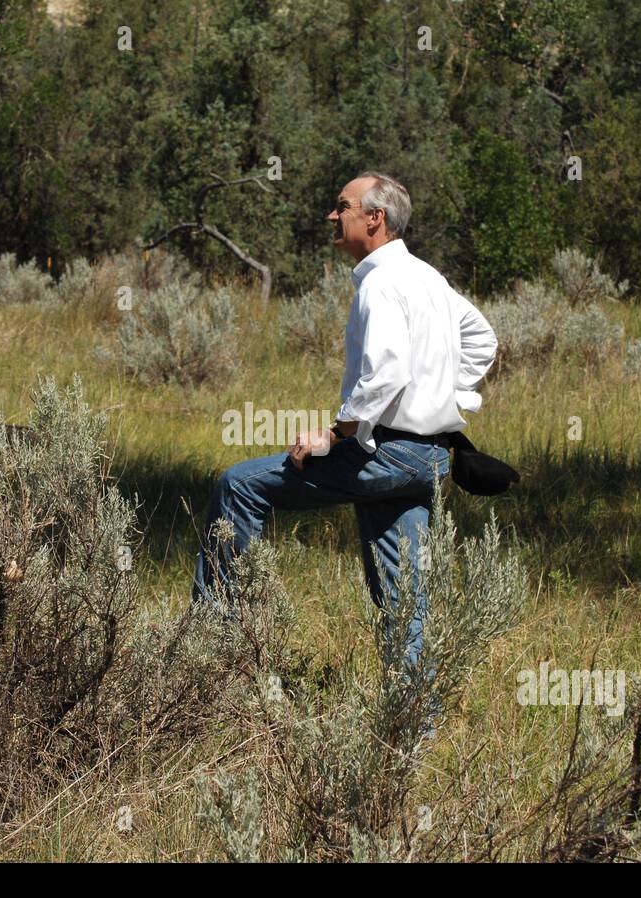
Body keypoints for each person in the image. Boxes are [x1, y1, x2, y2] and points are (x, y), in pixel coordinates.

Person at [192, 170, 498, 666]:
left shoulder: (380, 283)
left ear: (375, 218)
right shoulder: (427, 277)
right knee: (403, 601)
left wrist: (334, 434)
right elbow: (483, 338)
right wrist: (440, 393)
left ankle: (212, 649)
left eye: (343, 206)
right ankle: (414, 725)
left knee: (237, 486)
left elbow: (386, 374)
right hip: (433, 457)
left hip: (390, 454)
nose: (332, 216)